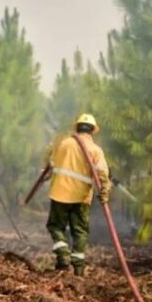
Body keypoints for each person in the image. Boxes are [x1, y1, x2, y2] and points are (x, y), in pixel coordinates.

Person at [46, 114, 111, 277]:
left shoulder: (63, 144)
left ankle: (62, 254)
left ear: (77, 127)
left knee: (55, 226)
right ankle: (79, 270)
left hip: (60, 192)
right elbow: (102, 173)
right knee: (80, 231)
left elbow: (51, 164)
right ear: (92, 131)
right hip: (82, 196)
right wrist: (104, 193)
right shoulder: (96, 150)